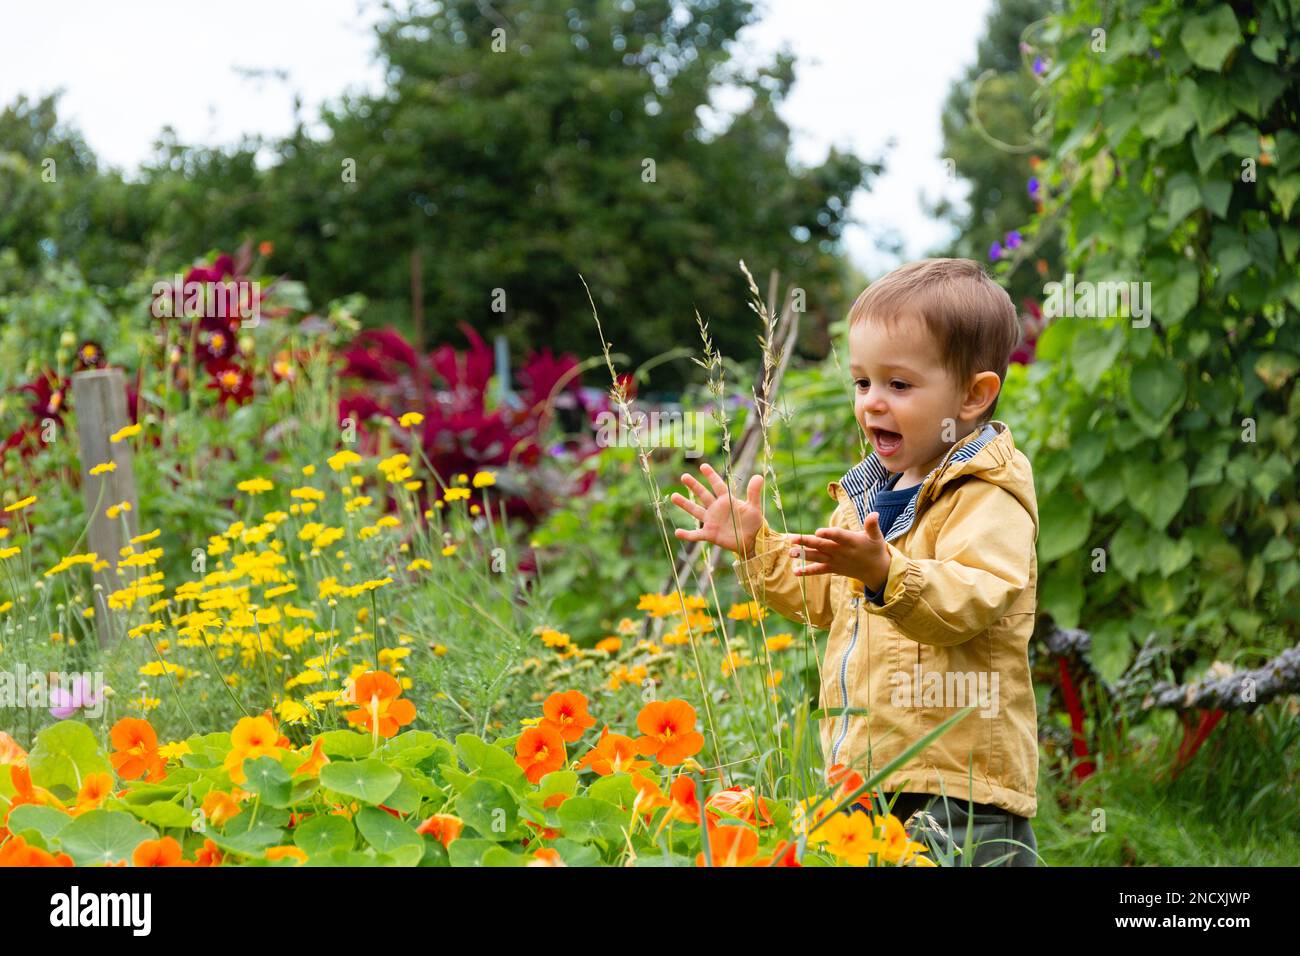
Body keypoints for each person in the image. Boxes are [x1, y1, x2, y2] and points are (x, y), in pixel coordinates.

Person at [669, 258, 1041, 866]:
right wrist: (757, 544)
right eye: (863, 382)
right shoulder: (869, 493)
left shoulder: (985, 493)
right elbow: (822, 596)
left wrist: (885, 573)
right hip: (863, 771)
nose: (872, 403)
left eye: (899, 385)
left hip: (957, 783)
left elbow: (973, 597)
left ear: (973, 395)